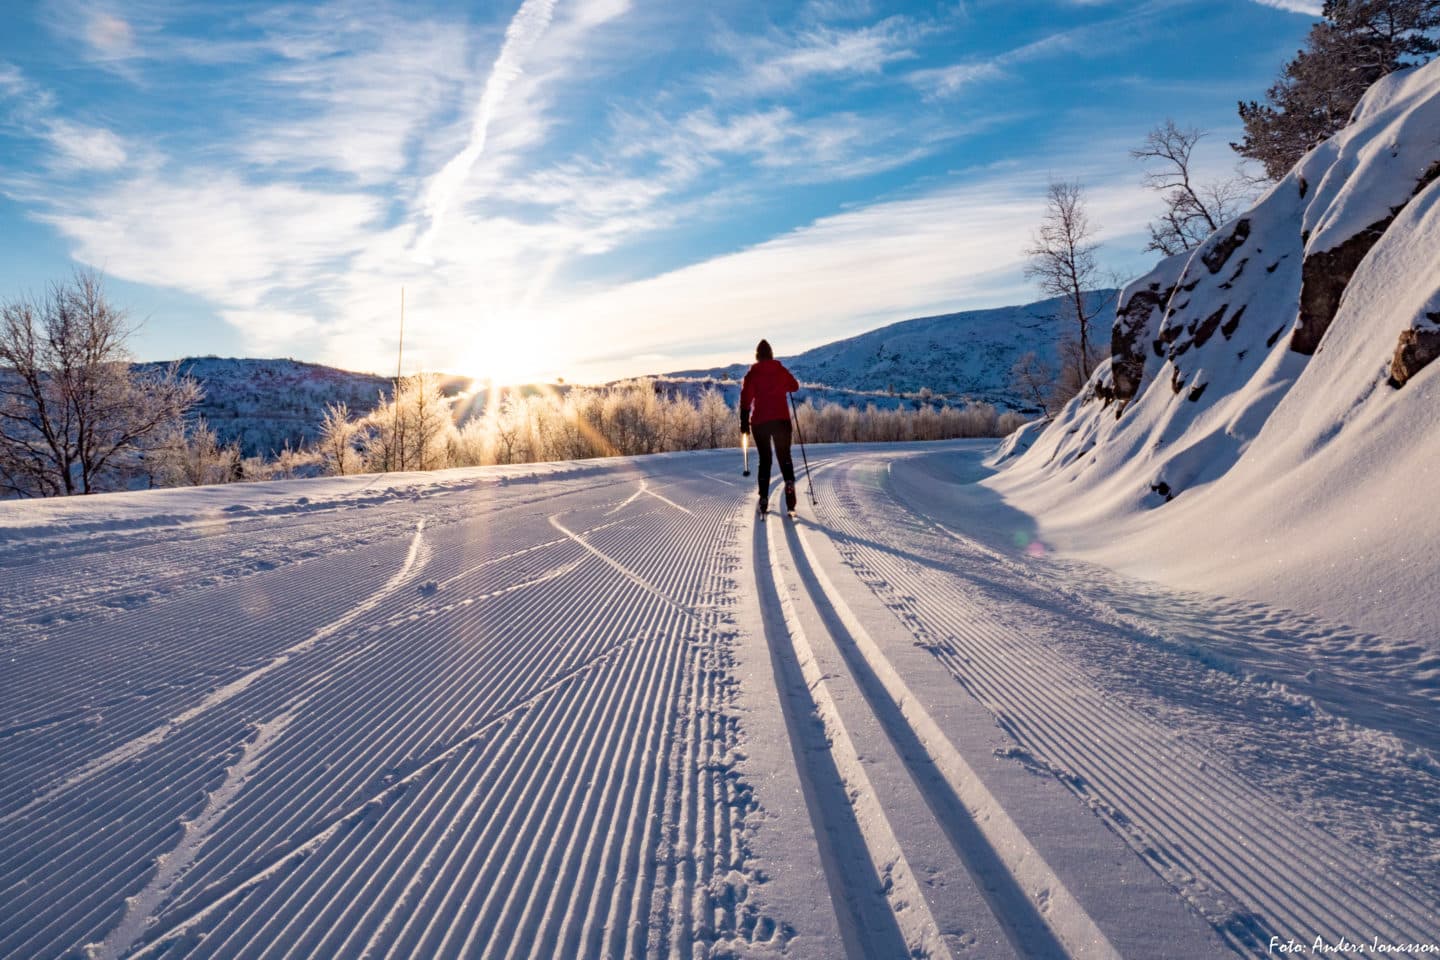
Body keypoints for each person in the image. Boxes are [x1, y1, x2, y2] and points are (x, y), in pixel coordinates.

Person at [739, 339, 800, 515]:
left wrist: (744, 424)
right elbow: (794, 386)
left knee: (765, 460)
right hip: (781, 421)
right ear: (771, 354)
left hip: (761, 423)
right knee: (784, 457)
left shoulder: (753, 374)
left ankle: (764, 498)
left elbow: (745, 400)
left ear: (757, 356)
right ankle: (789, 486)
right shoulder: (780, 370)